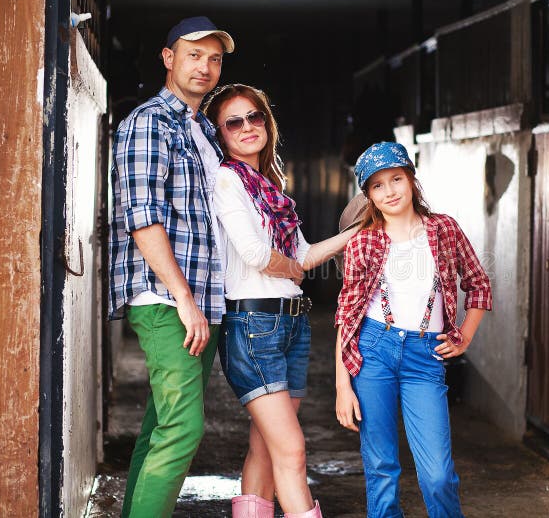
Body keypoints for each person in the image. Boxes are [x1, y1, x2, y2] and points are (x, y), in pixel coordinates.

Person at [204, 83, 357, 518]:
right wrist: (293, 268)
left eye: (254, 116)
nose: (247, 127)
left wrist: (355, 234)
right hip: (255, 329)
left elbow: (303, 254)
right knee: (292, 451)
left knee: (267, 448)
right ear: (221, 134)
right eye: (234, 122)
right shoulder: (228, 179)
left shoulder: (271, 187)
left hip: (290, 325)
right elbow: (258, 256)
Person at [108, 16, 234, 518]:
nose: (205, 67)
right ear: (168, 58)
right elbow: (144, 220)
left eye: (215, 58)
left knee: (162, 422)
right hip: (167, 299)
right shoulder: (147, 123)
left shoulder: (202, 127)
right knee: (183, 428)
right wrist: (184, 299)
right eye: (193, 55)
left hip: (198, 299)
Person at [334, 142, 492, 517]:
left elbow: (478, 283)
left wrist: (465, 335)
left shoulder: (444, 229)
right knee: (382, 469)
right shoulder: (364, 241)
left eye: (396, 179)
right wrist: (342, 386)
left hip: (425, 357)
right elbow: (346, 314)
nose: (389, 191)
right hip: (374, 351)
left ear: (411, 179)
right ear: (368, 194)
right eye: (377, 185)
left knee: (437, 474)